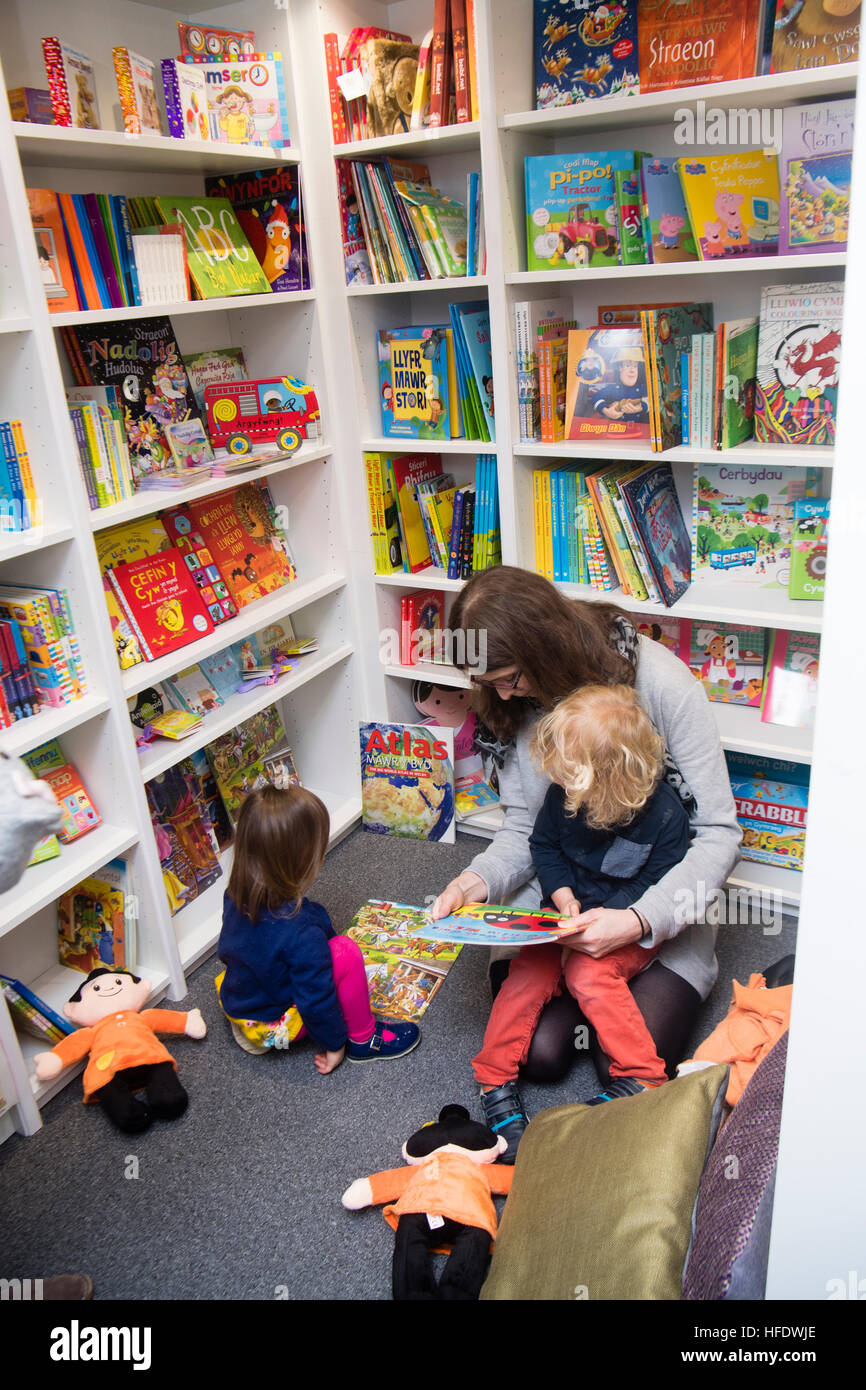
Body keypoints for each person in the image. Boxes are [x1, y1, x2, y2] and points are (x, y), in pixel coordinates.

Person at [431, 567, 742, 1095]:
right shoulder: (504, 700)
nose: (503, 697)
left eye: (510, 678)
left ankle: (599, 995)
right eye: (488, 684)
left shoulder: (659, 682)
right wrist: (473, 880)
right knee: (541, 1055)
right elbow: (528, 828)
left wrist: (639, 920)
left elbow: (718, 833)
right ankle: (587, 993)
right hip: (565, 900)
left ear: (545, 647)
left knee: (615, 1059)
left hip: (660, 890)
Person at [474, 685, 691, 1159]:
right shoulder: (562, 794)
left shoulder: (666, 817)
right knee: (526, 973)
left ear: (616, 779)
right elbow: (544, 847)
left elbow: (658, 887)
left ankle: (642, 1075)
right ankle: (493, 1077)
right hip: (565, 915)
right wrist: (563, 895)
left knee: (587, 972)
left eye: (575, 777)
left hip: (625, 922)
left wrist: (612, 920)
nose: (562, 785)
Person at [217, 784, 420, 1069]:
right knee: (344, 952)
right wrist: (334, 1044)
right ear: (300, 861)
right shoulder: (300, 929)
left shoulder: (236, 893)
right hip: (275, 1028)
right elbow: (316, 997)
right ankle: (364, 1040)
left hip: (239, 1005)